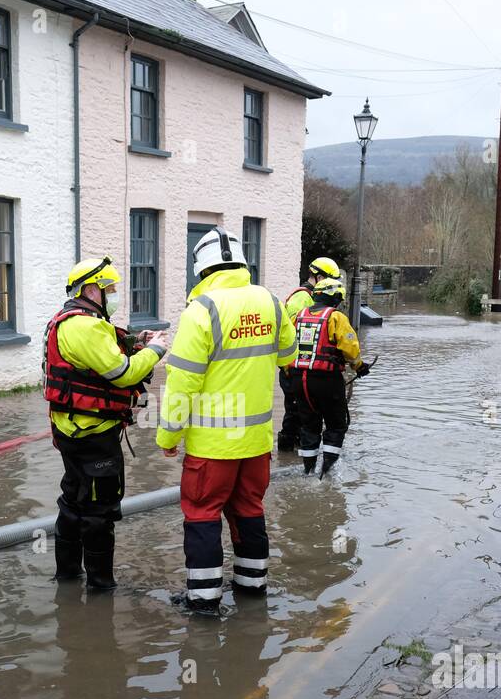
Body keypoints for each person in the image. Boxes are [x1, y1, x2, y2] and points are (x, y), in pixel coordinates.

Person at [156, 227, 296, 615]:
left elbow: (182, 383)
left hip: (212, 448)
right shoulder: (270, 301)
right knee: (250, 509)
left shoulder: (201, 311)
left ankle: (204, 601)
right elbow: (288, 355)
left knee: (202, 515)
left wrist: (168, 435)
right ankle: (252, 589)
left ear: (201, 271)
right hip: (256, 444)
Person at [44, 256, 168, 589]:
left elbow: (102, 353)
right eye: (109, 289)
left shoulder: (72, 321)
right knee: (100, 510)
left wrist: (134, 342)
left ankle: (68, 578)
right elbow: (122, 372)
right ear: (90, 290)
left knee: (74, 500)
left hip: (71, 429)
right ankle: (102, 590)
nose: (113, 294)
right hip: (93, 433)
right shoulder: (84, 325)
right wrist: (156, 350)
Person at [291, 276, 371, 479]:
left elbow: (286, 347)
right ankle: (327, 473)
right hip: (326, 380)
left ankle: (308, 470)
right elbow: (350, 348)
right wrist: (359, 366)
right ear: (335, 298)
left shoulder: (298, 316)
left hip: (299, 380)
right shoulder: (336, 317)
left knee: (309, 426)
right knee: (336, 424)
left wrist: (288, 373)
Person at [277, 256, 341, 452]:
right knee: (294, 413)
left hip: (305, 368)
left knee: (305, 415)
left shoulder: (314, 297)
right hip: (295, 368)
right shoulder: (302, 298)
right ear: (319, 276)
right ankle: (287, 454)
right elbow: (291, 333)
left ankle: (299, 455)